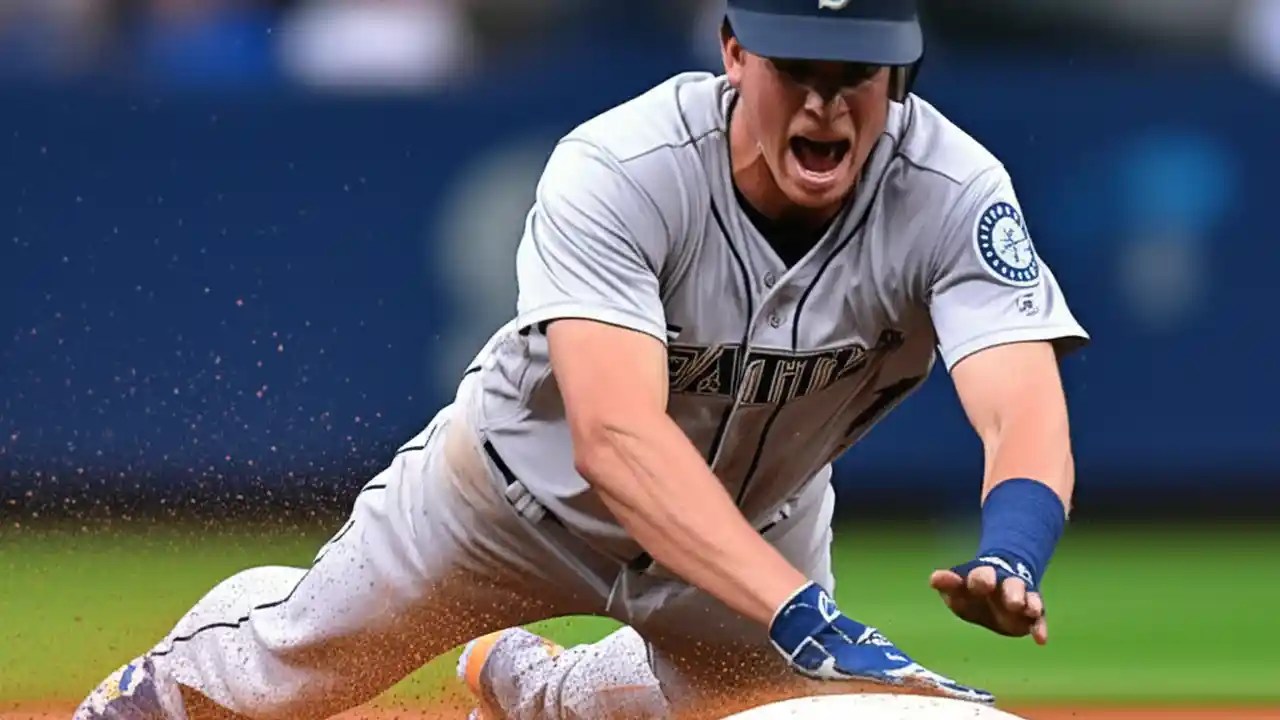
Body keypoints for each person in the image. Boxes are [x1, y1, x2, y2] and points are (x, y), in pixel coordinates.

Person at [74, 0, 1088, 718]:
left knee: (748, 715)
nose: (825, 105)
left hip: (751, 529)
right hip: (507, 505)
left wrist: (1011, 549)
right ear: (734, 53)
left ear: (895, 77)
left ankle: (541, 689)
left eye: (854, 75)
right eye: (798, 70)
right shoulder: (624, 166)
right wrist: (797, 614)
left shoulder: (951, 189)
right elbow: (613, 438)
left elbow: (1019, 405)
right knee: (278, 679)